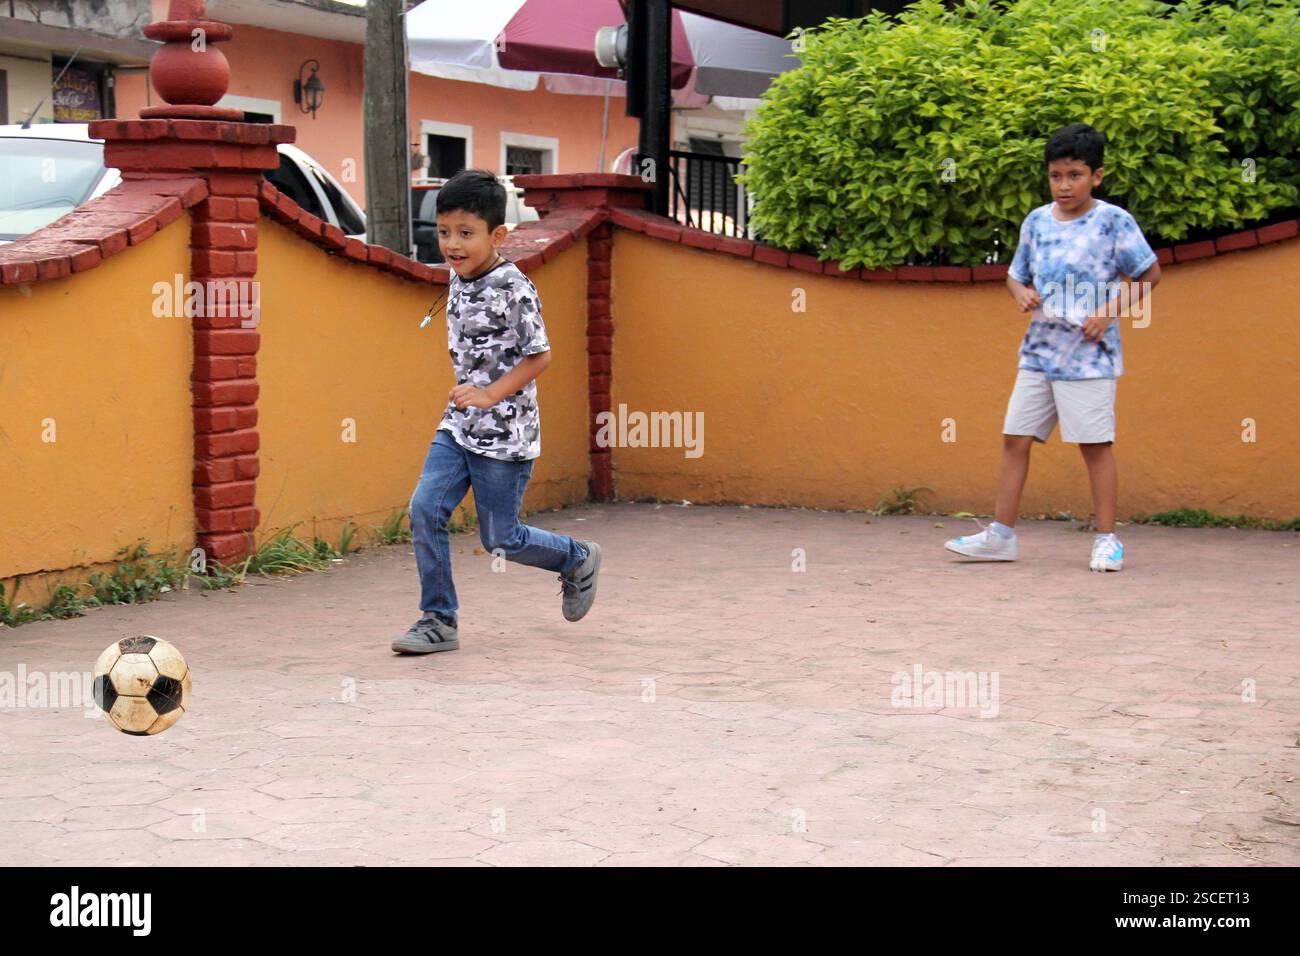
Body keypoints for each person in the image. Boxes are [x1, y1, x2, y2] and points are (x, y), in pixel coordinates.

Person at [393, 169, 601, 654]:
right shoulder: (458, 275)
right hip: (459, 427)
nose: (452, 244)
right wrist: (473, 401)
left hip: (506, 436)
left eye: (466, 234)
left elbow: (540, 355)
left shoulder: (514, 289)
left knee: (500, 540)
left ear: (498, 235)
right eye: (444, 232)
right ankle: (438, 620)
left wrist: (489, 394)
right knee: (425, 510)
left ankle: (575, 558)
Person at [944, 124, 1161, 572]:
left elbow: (1149, 275)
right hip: (1038, 354)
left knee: (1094, 445)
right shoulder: (1037, 222)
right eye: (1056, 176)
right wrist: (1019, 293)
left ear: (1096, 176)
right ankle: (1000, 536)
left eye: (1075, 175)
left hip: (1089, 357)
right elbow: (1014, 274)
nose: (1064, 185)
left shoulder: (1114, 222)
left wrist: (1109, 311)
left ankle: (1106, 540)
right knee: (1014, 438)